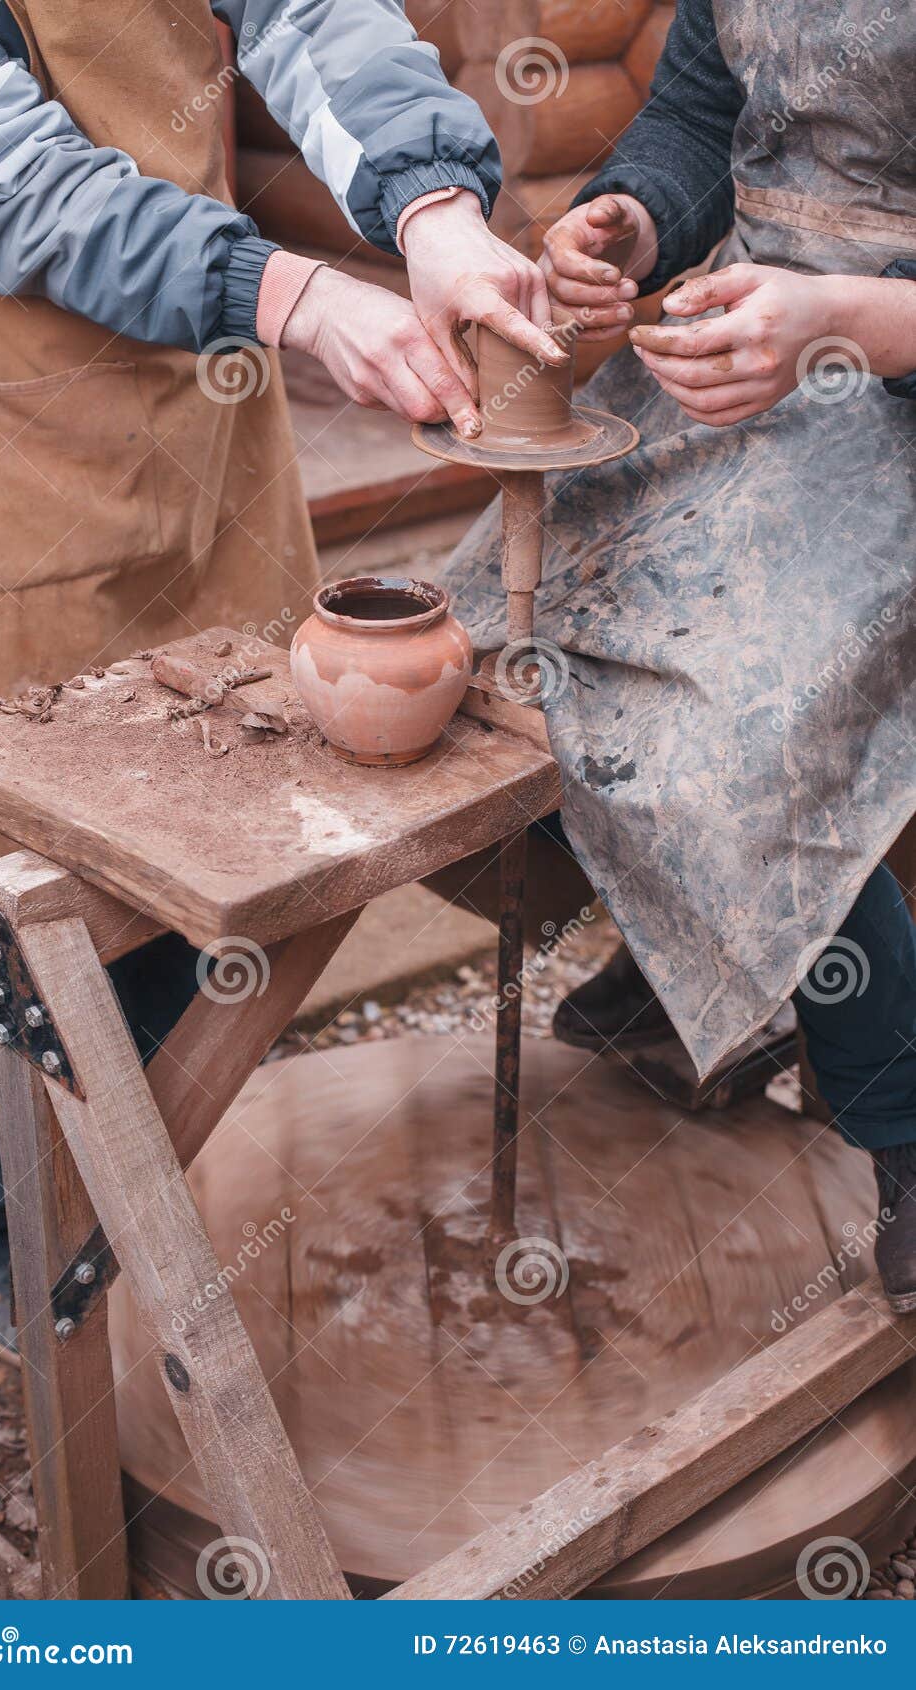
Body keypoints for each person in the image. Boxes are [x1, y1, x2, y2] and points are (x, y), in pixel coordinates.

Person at [0, 0, 557, 1356]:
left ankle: (152, 1150)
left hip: (190, 368)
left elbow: (308, 10)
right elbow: (14, 187)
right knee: (11, 827)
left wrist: (434, 213)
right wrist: (296, 296)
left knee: (220, 775)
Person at [436, 0, 916, 1310]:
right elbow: (704, 116)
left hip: (893, 384)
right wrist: (633, 218)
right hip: (744, 350)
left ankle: (903, 1119)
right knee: (485, 645)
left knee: (744, 710)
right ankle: (684, 963)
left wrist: (859, 318)